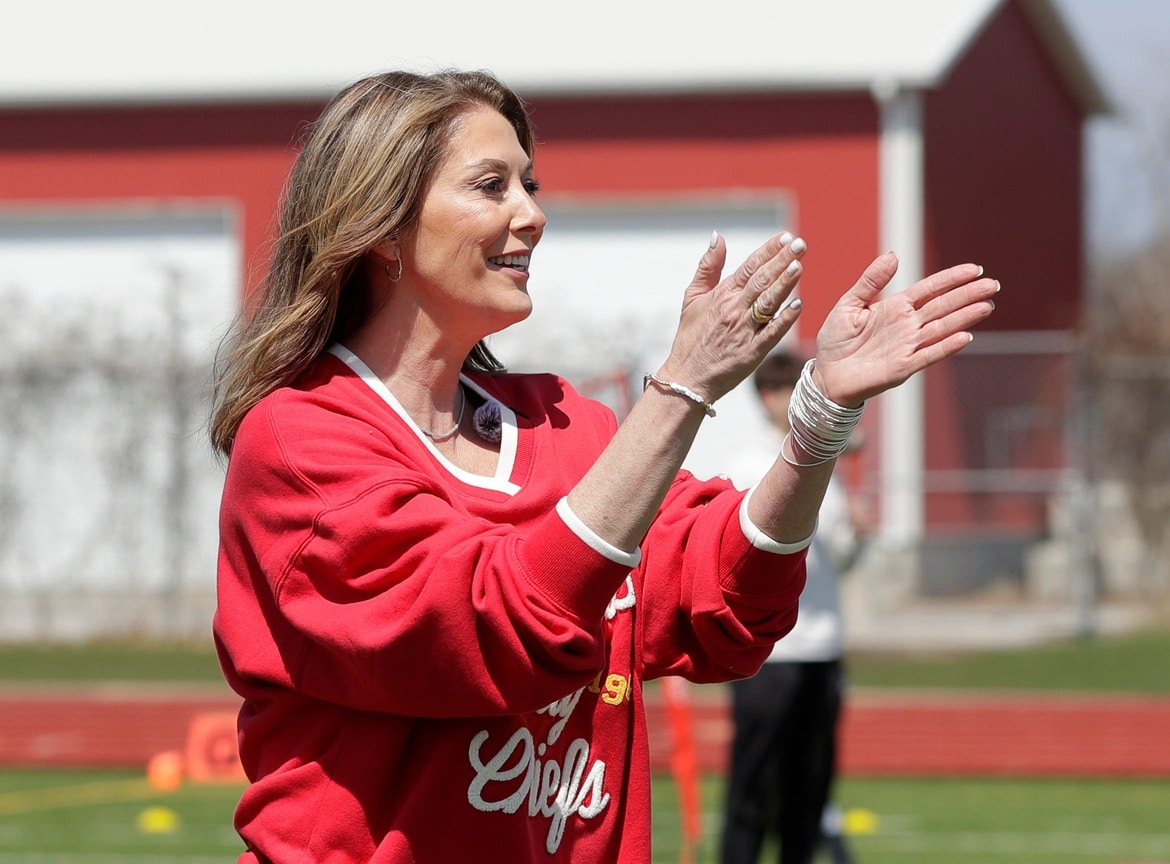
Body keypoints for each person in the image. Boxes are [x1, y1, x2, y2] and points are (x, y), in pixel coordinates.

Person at [208, 68, 998, 864]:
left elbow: (722, 604)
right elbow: (498, 627)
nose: (533, 214)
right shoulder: (300, 440)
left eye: (530, 183)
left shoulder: (563, 423)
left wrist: (819, 421)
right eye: (492, 186)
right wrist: (681, 386)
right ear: (381, 227)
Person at [719, 350, 866, 864]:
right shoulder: (748, 463)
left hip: (822, 646)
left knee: (811, 786)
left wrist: (859, 531)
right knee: (753, 786)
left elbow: (842, 554)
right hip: (768, 653)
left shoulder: (830, 463)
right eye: (792, 391)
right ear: (769, 397)